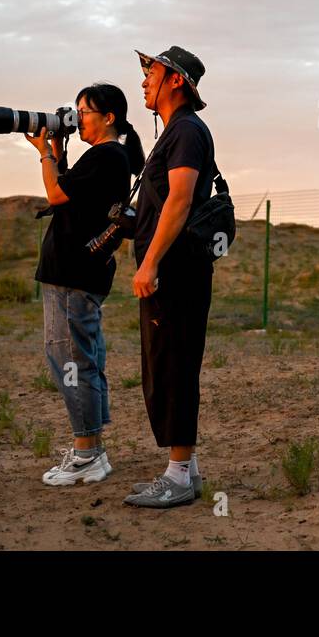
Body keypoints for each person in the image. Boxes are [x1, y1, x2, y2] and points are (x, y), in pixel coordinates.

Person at [28, 82, 144, 486]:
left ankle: (87, 454)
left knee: (69, 359)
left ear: (108, 117)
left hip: (72, 272)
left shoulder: (107, 155)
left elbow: (56, 194)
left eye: (84, 111)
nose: (77, 118)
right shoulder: (109, 157)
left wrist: (43, 153)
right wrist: (57, 154)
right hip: (79, 272)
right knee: (83, 359)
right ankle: (91, 449)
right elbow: (70, 192)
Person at [123, 46, 217, 509]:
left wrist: (151, 261)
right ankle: (188, 470)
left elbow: (179, 199)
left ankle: (177, 476)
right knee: (167, 362)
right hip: (174, 269)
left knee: (173, 365)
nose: (143, 80)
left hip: (177, 271)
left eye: (151, 72)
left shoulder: (185, 130)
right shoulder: (178, 132)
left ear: (175, 80)